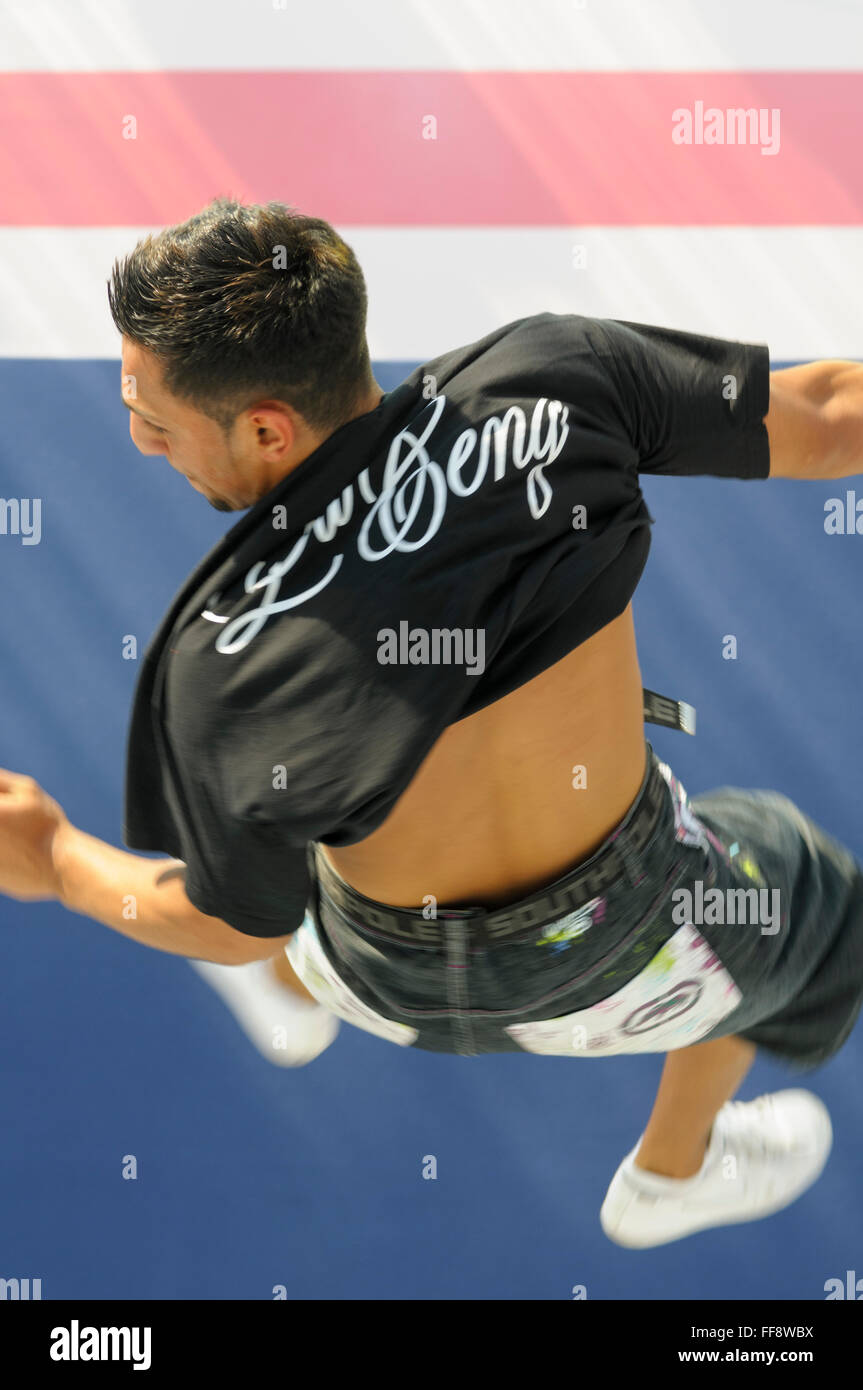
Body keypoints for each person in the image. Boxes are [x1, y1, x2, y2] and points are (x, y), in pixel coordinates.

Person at [1, 197, 861, 1249]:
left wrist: (53, 857)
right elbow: (823, 417)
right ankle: (669, 1174)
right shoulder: (555, 377)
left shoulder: (216, 660)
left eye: (154, 416)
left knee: (271, 871)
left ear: (266, 426)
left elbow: (228, 926)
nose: (138, 440)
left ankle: (293, 990)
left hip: (379, 978)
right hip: (628, 945)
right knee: (799, 881)